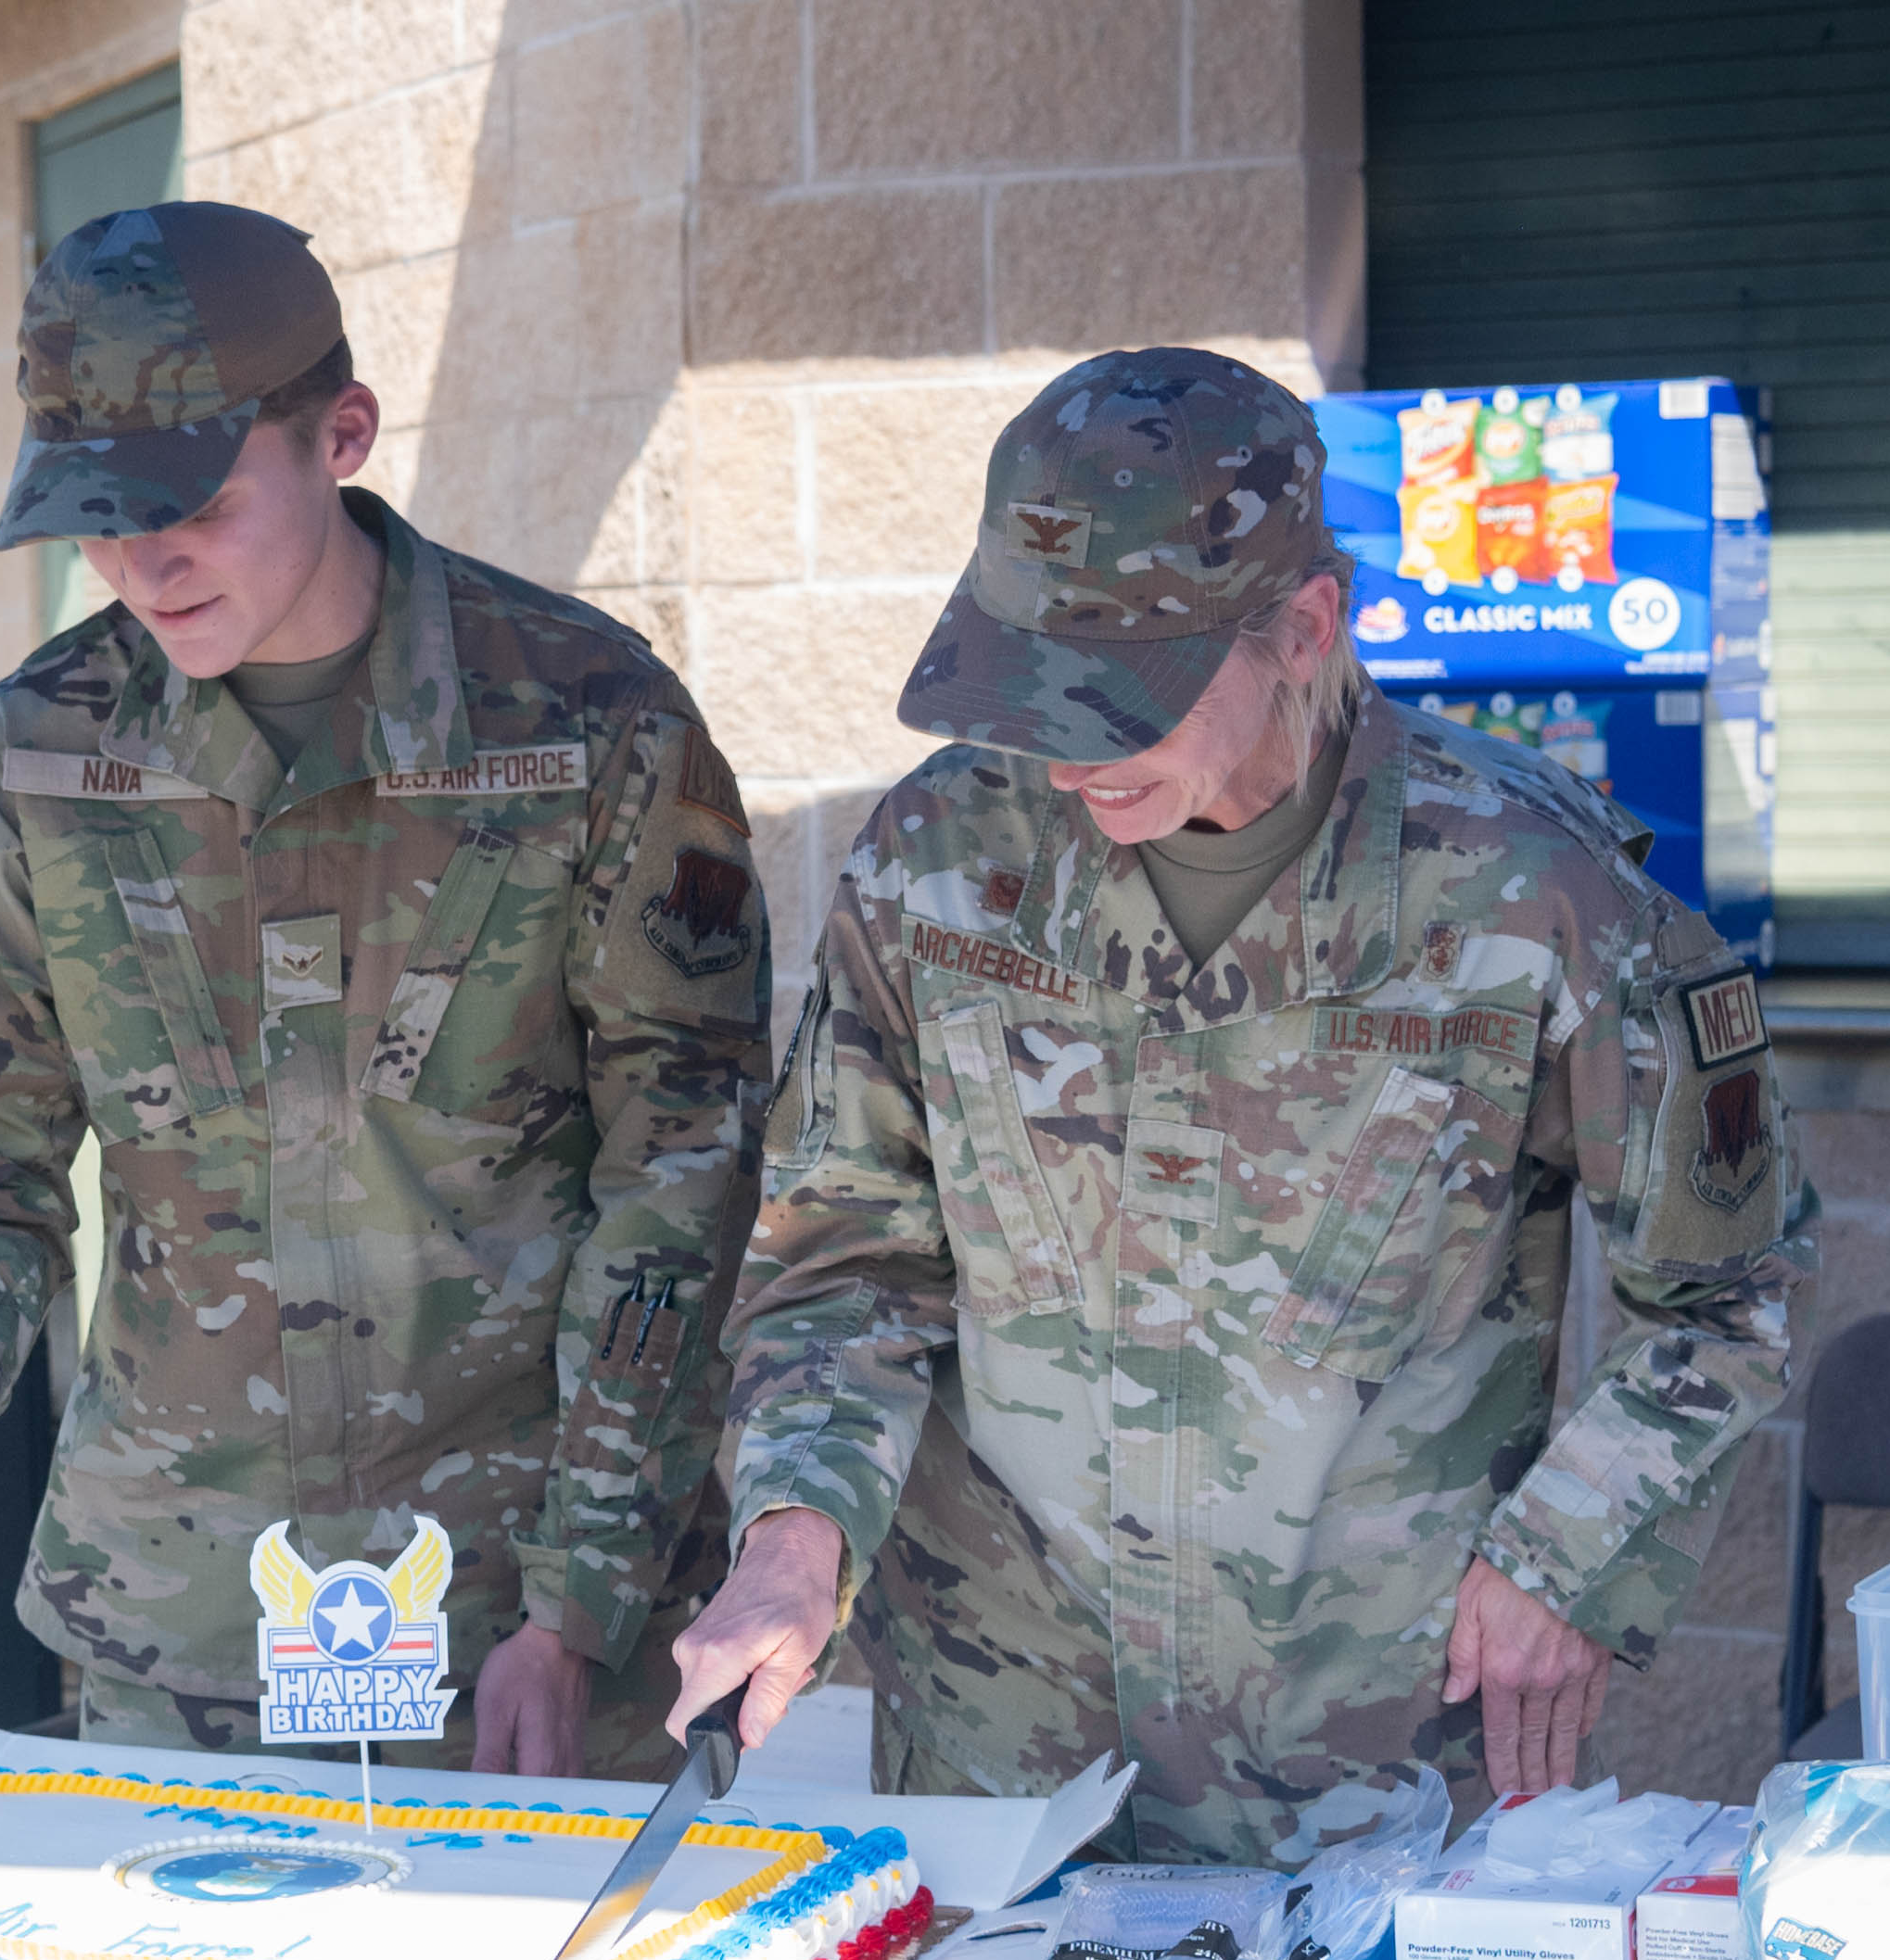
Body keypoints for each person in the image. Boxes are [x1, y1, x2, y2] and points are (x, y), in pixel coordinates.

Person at [673, 346, 1815, 1872]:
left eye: (1119, 696)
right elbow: (842, 1269)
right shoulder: (936, 860)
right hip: (1002, 1751)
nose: (1066, 748)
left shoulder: (1531, 889)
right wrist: (793, 1539)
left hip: (1361, 1759)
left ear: (1304, 628)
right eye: (1031, 687)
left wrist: (1572, 1557)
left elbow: (1730, 1290)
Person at [0, 203, 769, 1778]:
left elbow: (683, 1187)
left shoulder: (592, 726)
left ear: (342, 434)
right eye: (96, 517)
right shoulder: (32, 758)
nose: (141, 561)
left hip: (522, 1619)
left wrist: (582, 1598)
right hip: (180, 1621)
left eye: (187, 501)